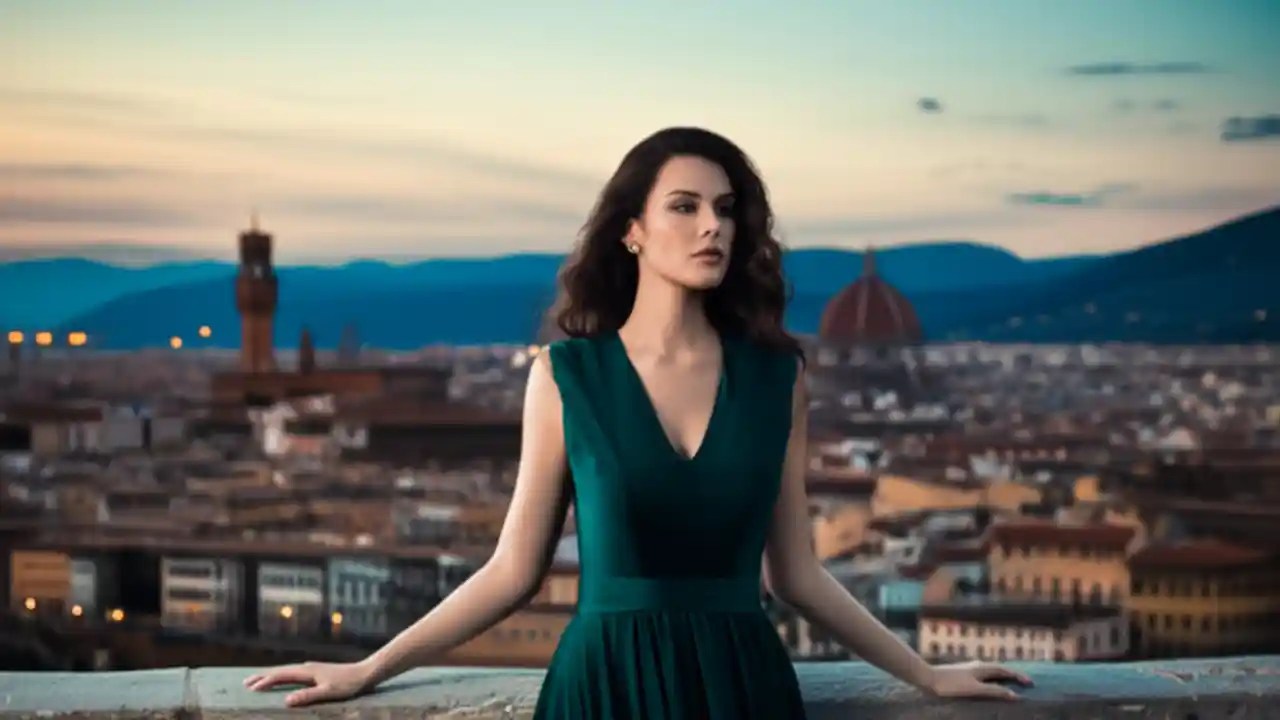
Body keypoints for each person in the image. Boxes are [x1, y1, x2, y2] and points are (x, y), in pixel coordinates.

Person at [243, 127, 1033, 716]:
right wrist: (365, 670)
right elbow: (513, 572)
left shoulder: (775, 381)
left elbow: (796, 575)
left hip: (743, 688)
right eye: (684, 208)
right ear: (632, 231)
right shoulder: (564, 377)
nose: (711, 228)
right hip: (604, 686)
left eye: (726, 210)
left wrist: (928, 674)